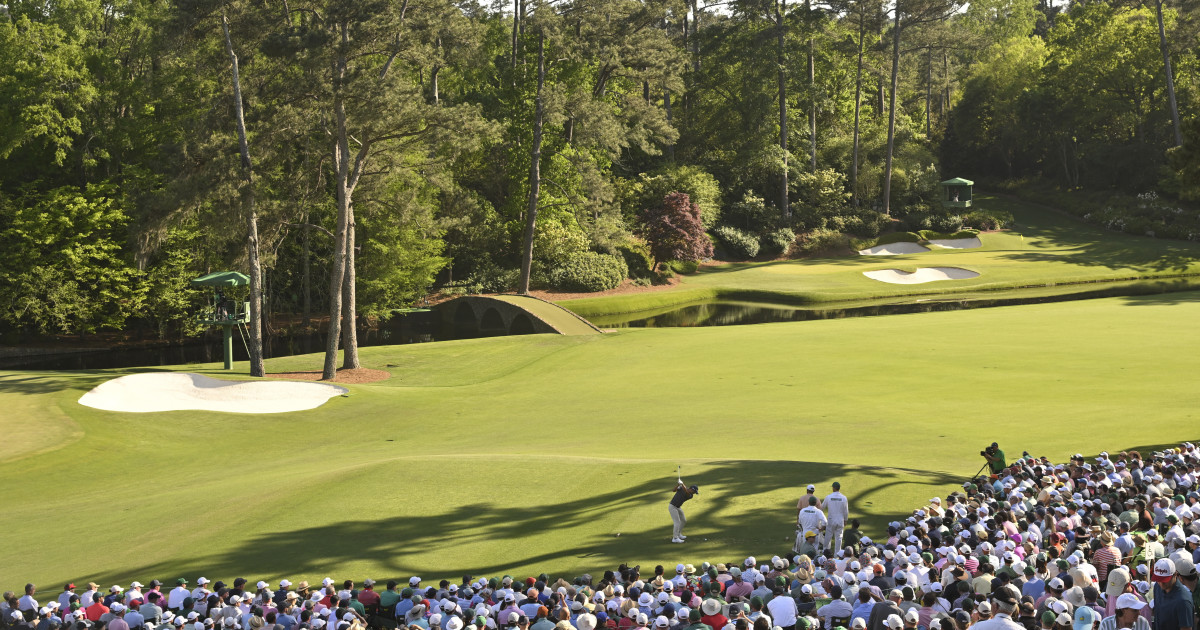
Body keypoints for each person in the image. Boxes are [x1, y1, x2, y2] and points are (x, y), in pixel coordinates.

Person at [1150, 559, 1193, 630]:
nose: (1161, 583)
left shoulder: (1183, 601)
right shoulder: (1157, 587)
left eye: (1164, 580)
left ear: (1175, 574)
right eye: (1158, 579)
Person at [826, 482, 850, 555]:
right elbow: (846, 511)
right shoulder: (844, 498)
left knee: (828, 537)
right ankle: (837, 555)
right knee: (839, 538)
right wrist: (845, 520)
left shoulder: (828, 497)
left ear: (833, 488)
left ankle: (826, 553)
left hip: (831, 520)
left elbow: (822, 507)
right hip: (840, 520)